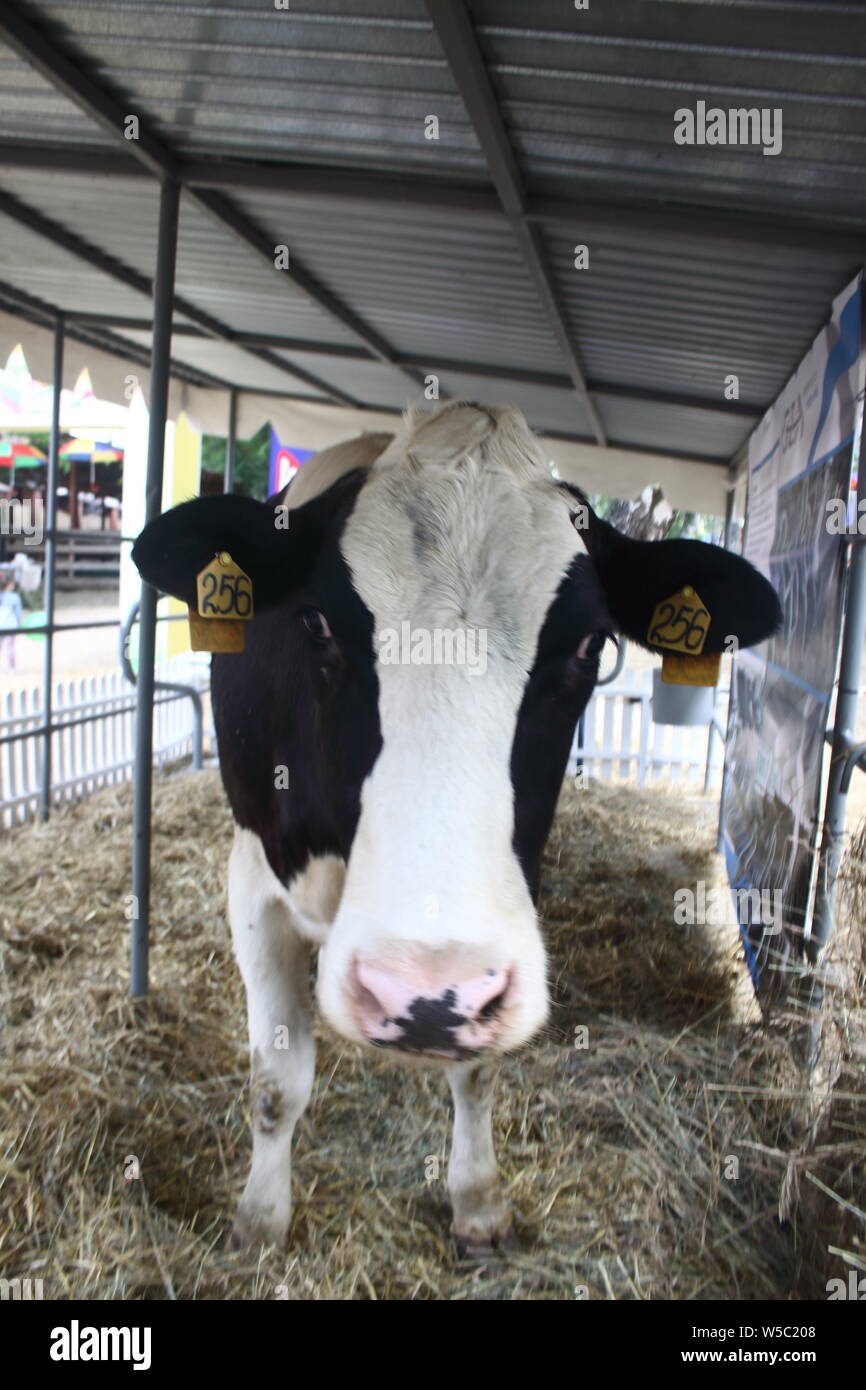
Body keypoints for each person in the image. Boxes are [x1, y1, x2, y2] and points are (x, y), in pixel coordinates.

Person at [0, 569, 23, 673]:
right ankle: (11, 668)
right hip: (10, 625)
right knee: (10, 647)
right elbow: (18, 613)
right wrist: (19, 624)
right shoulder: (14, 597)